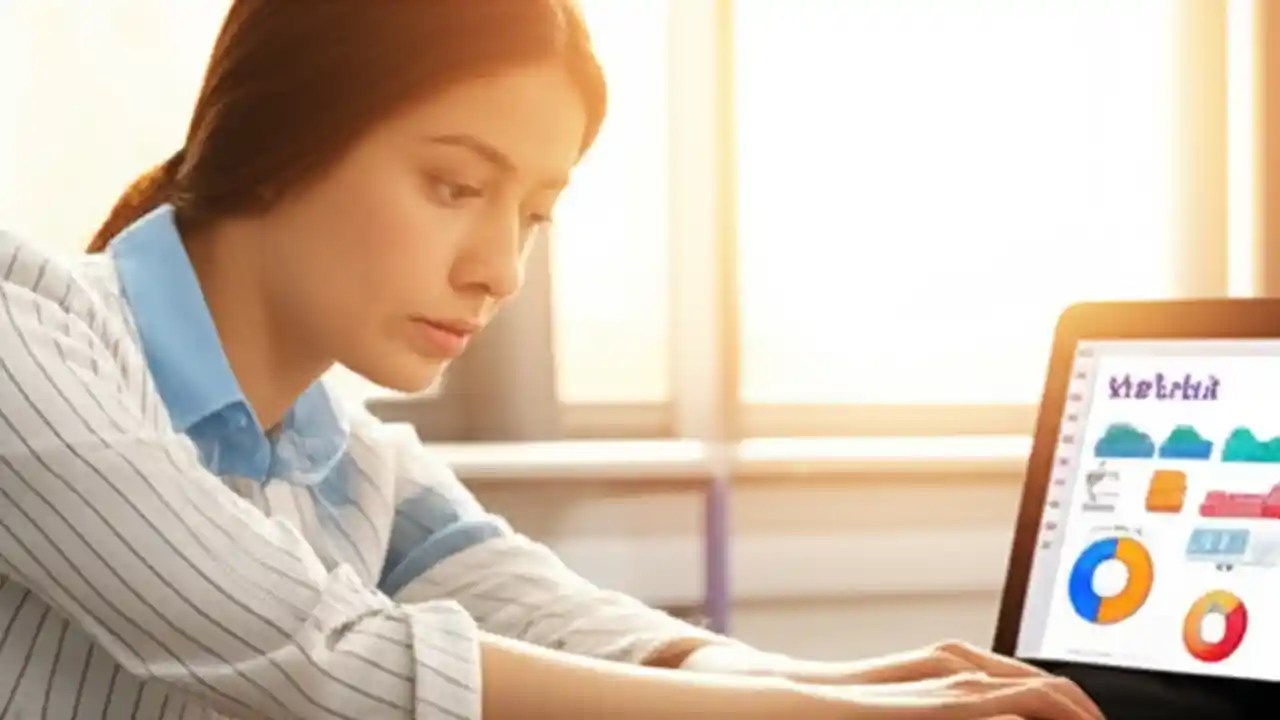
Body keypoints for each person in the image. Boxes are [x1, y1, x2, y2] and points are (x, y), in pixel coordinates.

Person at [0, 1, 1104, 718]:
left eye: (533, 214)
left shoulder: (349, 461)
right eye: (454, 187)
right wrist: (830, 716)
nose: (499, 272)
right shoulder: (28, 336)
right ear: (281, 137)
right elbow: (322, 654)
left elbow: (542, 611)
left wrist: (840, 679)